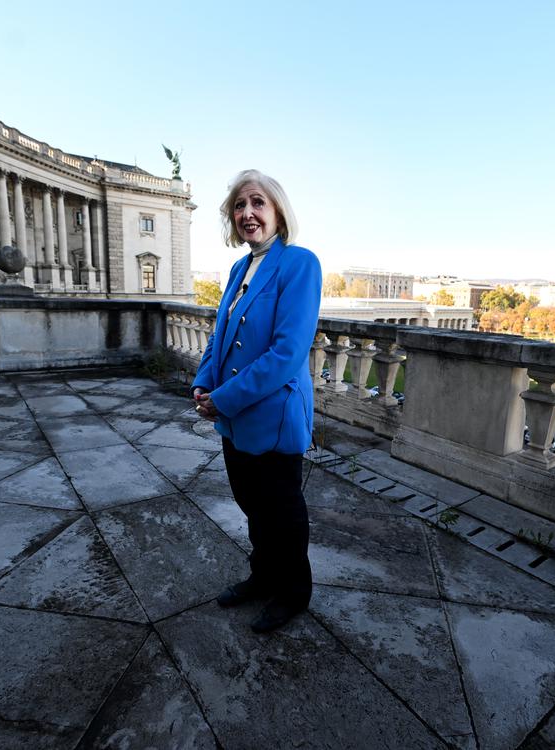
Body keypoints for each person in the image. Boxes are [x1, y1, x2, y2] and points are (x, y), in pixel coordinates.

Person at [191, 169, 322, 633]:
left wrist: (222, 399)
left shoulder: (299, 263)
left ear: (278, 212)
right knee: (251, 503)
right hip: (233, 413)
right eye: (239, 205)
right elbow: (220, 336)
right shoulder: (238, 268)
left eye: (257, 202)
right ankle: (263, 576)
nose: (247, 212)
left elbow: (287, 354)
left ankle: (294, 592)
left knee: (283, 512)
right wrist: (202, 382)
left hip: (272, 414)